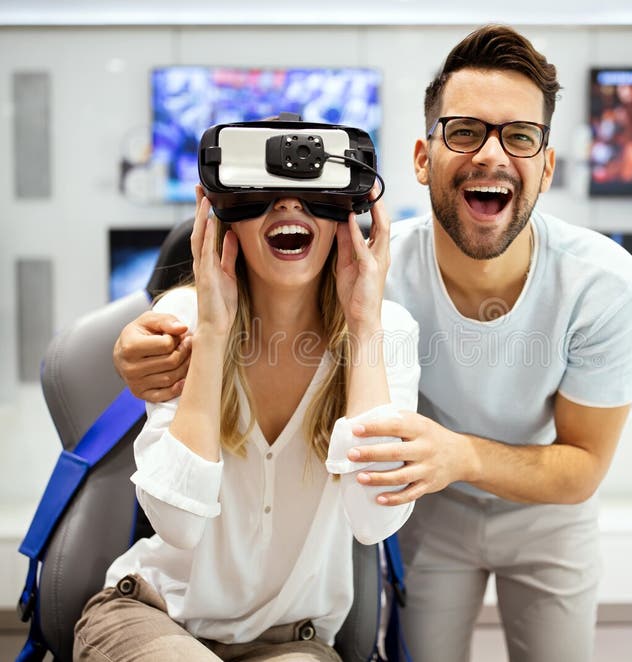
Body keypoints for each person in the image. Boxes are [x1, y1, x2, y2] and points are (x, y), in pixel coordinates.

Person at [113, 25, 632, 662]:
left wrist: (459, 454)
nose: (491, 155)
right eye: (465, 131)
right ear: (422, 159)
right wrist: (136, 344)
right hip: (430, 508)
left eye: (520, 136)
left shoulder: (603, 284)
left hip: (543, 509)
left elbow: (583, 465)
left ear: (547, 165)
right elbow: (230, 300)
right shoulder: (362, 272)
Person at [74, 177, 421, 661]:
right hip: (156, 612)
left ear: (347, 210)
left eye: (312, 184)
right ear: (224, 209)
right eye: (261, 185)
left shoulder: (387, 330)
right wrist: (212, 331)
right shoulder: (185, 317)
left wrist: (363, 325)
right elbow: (178, 526)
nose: (289, 202)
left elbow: (374, 520)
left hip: (293, 640)